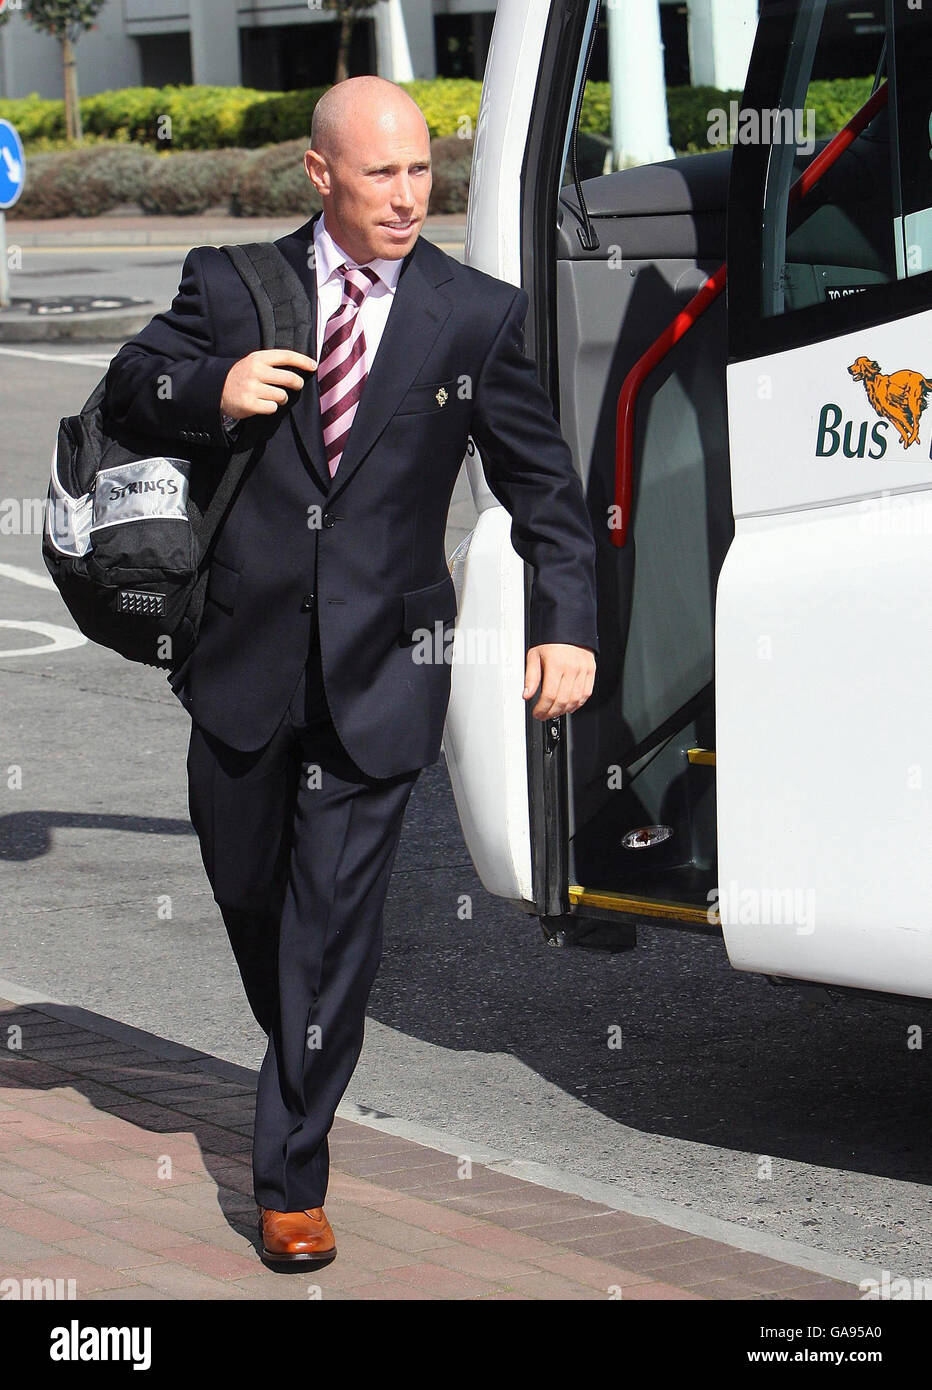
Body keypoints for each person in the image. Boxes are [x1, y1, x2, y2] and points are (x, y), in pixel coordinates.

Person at [104, 75, 599, 1269]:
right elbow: (129, 381)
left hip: (384, 675)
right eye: (380, 173)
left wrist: (566, 622)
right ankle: (302, 1043)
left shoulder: (471, 315)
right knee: (250, 899)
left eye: (421, 170)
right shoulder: (232, 286)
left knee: (331, 935)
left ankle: (289, 1178)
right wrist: (206, 389)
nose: (407, 195)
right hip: (239, 662)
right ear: (319, 174)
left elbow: (546, 492)